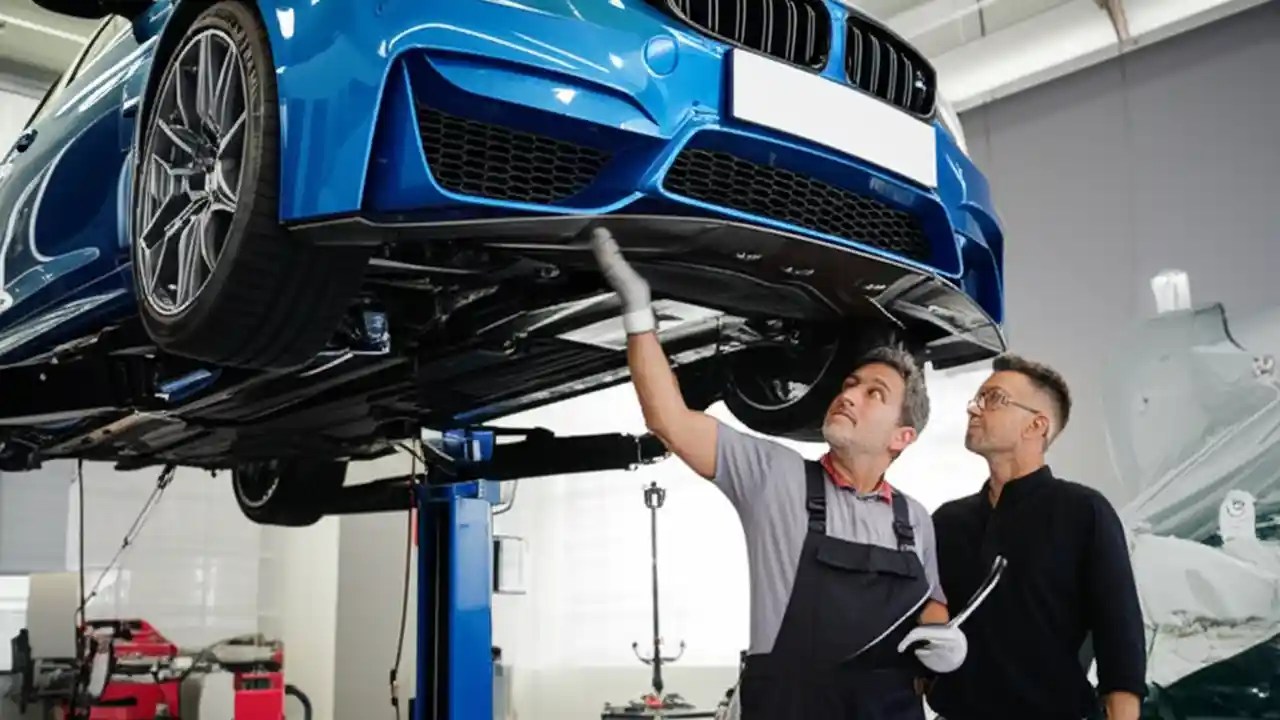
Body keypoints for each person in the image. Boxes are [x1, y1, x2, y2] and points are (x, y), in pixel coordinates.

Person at [589, 227, 968, 720]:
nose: (848, 394)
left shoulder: (913, 520)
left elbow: (928, 605)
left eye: (874, 393)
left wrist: (943, 638)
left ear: (902, 437)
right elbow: (670, 419)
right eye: (849, 383)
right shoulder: (774, 477)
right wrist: (638, 309)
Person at [928, 354, 1147, 720]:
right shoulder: (947, 521)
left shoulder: (1084, 511)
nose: (975, 410)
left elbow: (1119, 636)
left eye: (993, 399)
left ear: (1037, 425)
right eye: (976, 400)